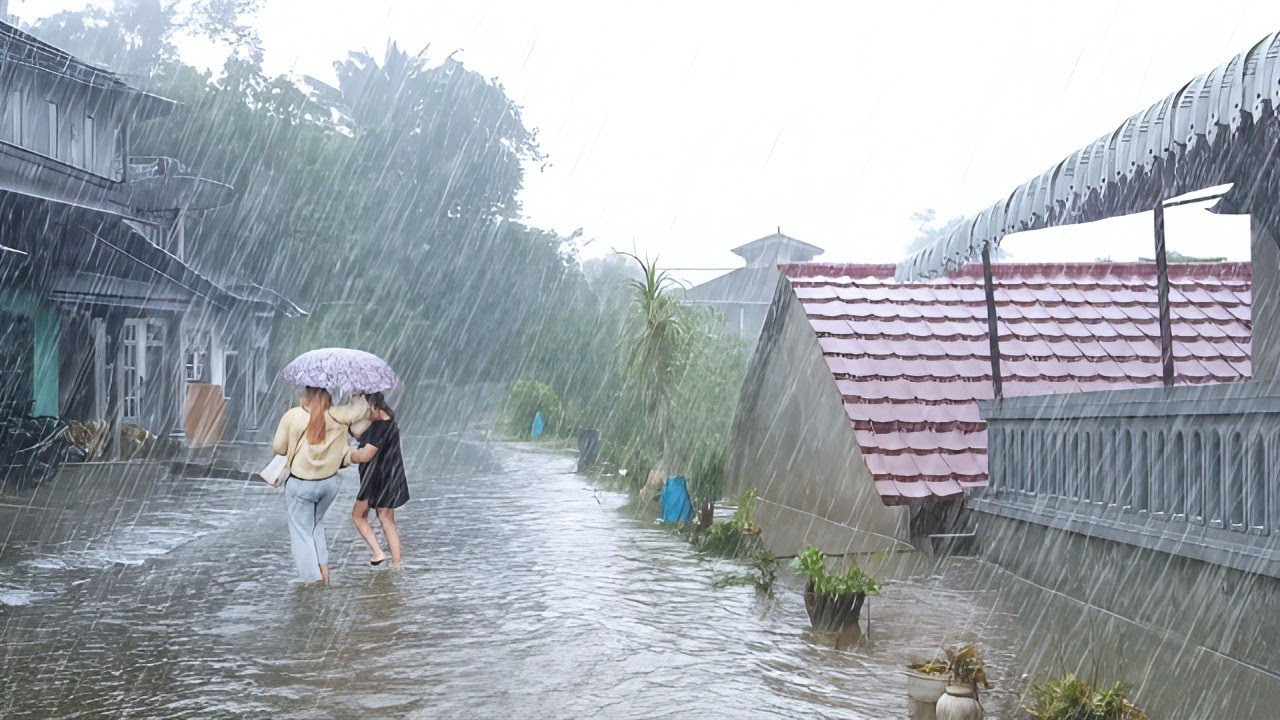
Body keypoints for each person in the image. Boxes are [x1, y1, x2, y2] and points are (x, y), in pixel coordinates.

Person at [272, 387, 369, 586]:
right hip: (329, 484)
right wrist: (357, 395)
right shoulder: (338, 416)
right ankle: (324, 570)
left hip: (301, 485)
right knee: (316, 525)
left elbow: (279, 447)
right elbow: (359, 412)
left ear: (306, 396)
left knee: (302, 532)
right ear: (328, 398)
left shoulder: (293, 416)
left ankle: (312, 580)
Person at [349, 391, 409, 567]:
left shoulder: (378, 427)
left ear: (373, 406)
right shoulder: (390, 423)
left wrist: (348, 456)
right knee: (387, 519)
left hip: (375, 479)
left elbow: (366, 454)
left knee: (358, 516)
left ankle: (377, 552)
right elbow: (363, 436)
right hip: (391, 475)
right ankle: (397, 566)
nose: (365, 414)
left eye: (367, 410)